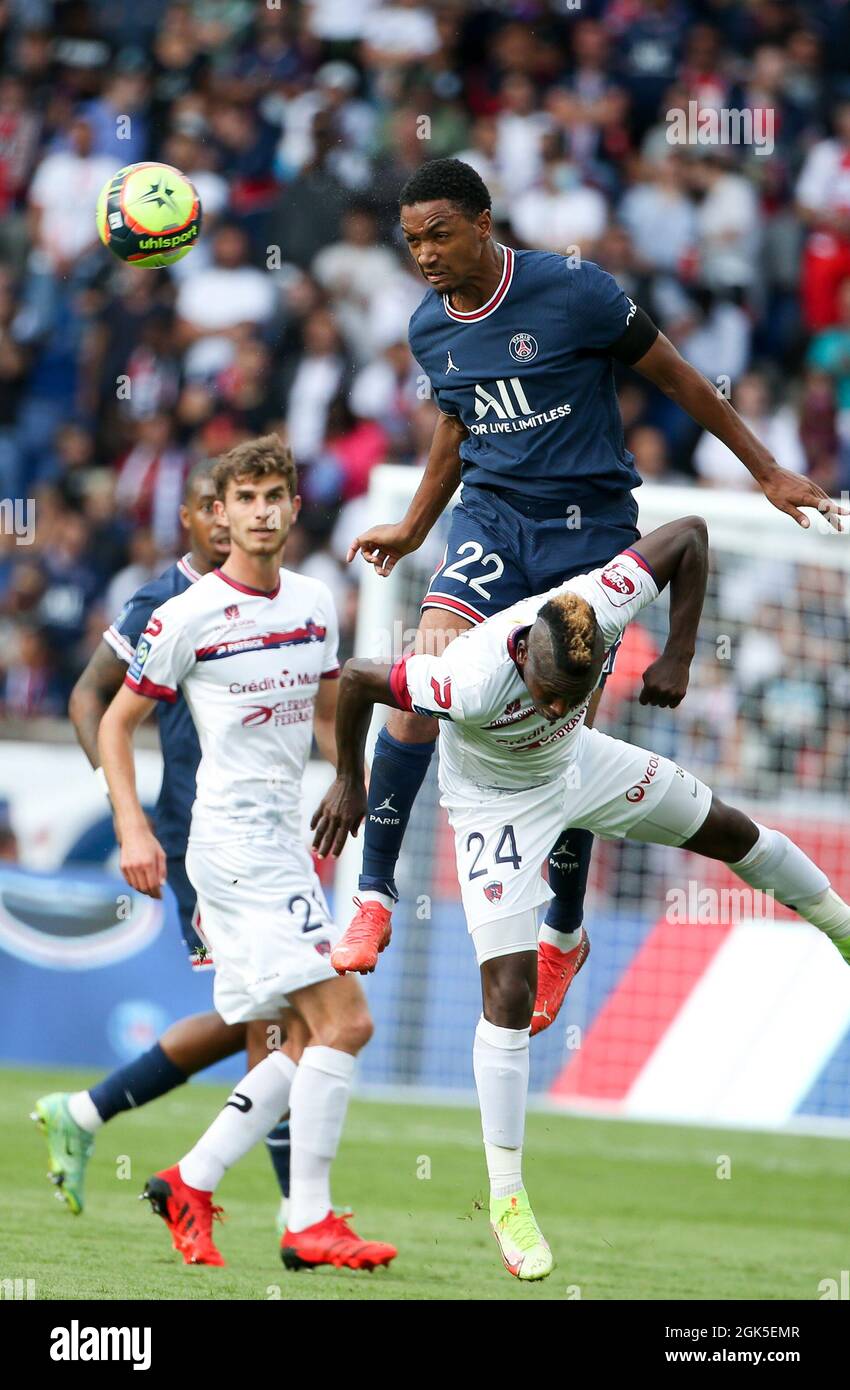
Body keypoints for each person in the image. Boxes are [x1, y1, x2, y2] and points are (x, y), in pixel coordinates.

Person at [332, 157, 843, 1036]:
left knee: (558, 740)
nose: (424, 254)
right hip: (493, 525)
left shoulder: (576, 291)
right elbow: (460, 421)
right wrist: (418, 528)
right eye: (411, 240)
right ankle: (374, 893)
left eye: (439, 235)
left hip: (588, 531)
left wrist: (766, 471)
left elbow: (680, 376)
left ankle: (564, 931)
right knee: (421, 685)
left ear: (485, 223)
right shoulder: (429, 328)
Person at [313, 516, 850, 1280]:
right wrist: (348, 778)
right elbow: (364, 678)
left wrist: (679, 652)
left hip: (578, 771)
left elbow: (694, 534)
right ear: (523, 661)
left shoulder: (599, 602)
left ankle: (840, 925)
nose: (561, 703)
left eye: (577, 691)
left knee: (729, 830)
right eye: (551, 693)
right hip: (494, 806)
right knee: (505, 989)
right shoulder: (462, 680)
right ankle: (507, 1198)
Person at [98, 435, 395, 1272]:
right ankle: (309, 1222)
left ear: (296, 508)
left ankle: (191, 1179)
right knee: (348, 1019)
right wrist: (132, 825)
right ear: (218, 515)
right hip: (230, 847)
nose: (262, 512)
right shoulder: (184, 616)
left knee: (296, 1037)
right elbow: (118, 720)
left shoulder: (314, 600)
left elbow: (337, 697)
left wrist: (349, 775)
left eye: (276, 496)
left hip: (284, 841)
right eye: (247, 499)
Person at [32, 461, 298, 1232]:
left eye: (245, 504)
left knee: (265, 1012)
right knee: (277, 1018)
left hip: (257, 832)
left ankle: (85, 1111)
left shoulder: (274, 598)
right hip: (199, 837)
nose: (229, 520)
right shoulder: (165, 600)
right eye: (216, 507)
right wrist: (126, 811)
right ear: (191, 516)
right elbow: (90, 699)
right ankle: (293, 1213)